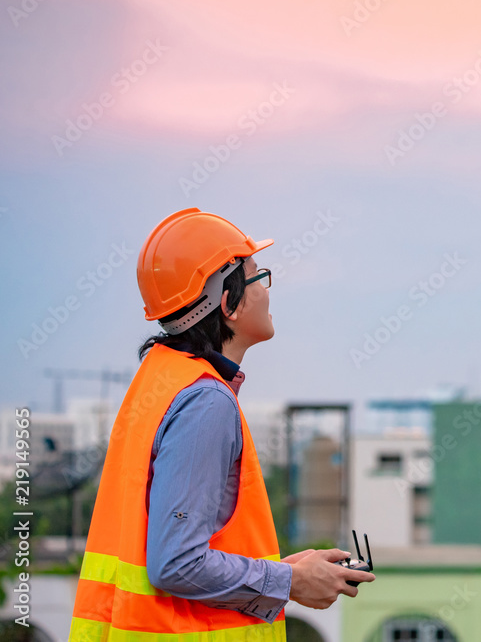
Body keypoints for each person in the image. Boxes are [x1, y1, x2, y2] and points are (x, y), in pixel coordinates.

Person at [69, 208, 373, 641]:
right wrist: (290, 583)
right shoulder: (205, 401)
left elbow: (176, 546)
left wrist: (281, 571)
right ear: (229, 303)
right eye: (258, 277)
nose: (267, 292)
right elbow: (176, 563)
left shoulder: (162, 379)